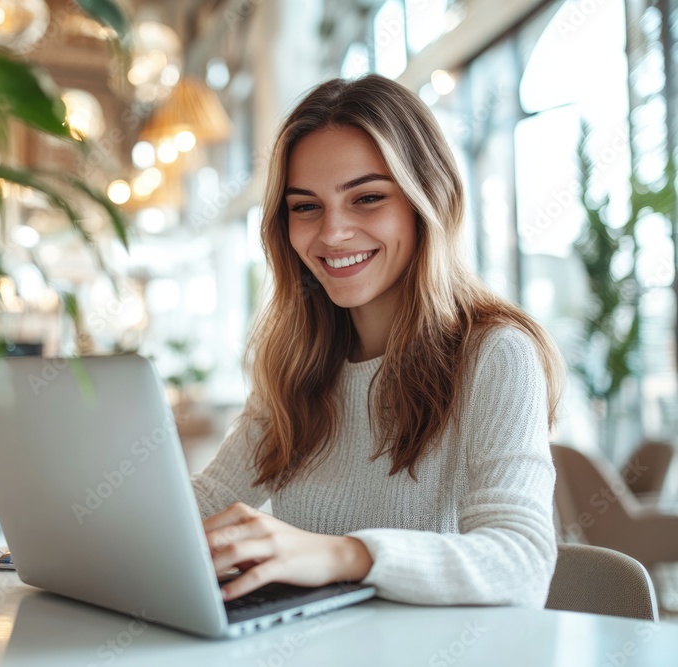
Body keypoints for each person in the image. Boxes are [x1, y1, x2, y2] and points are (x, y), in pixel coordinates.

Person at [191, 74, 565, 608]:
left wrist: (343, 555)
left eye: (366, 198)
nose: (332, 233)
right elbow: (207, 501)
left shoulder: (495, 354)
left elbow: (522, 562)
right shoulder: (296, 365)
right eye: (305, 206)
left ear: (426, 200)